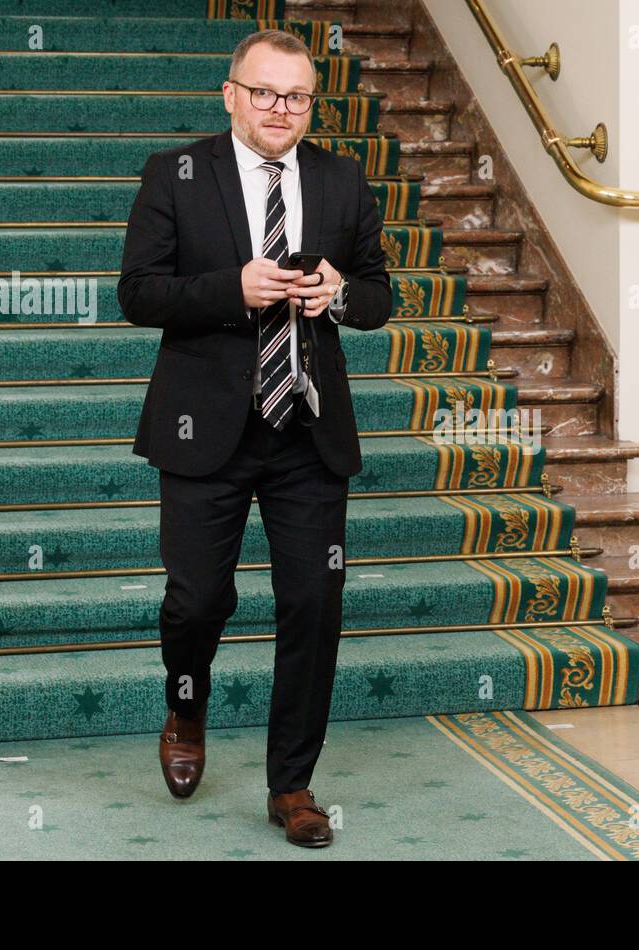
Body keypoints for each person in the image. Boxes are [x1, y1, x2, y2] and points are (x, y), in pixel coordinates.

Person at [117, 28, 391, 848]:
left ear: (312, 103)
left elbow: (379, 294)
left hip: (308, 430)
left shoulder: (342, 180)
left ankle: (293, 783)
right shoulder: (177, 174)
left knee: (314, 602)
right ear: (230, 93)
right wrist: (230, 289)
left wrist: (340, 294)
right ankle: (186, 711)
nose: (281, 109)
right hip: (204, 429)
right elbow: (138, 292)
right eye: (265, 92)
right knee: (198, 600)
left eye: (297, 96)